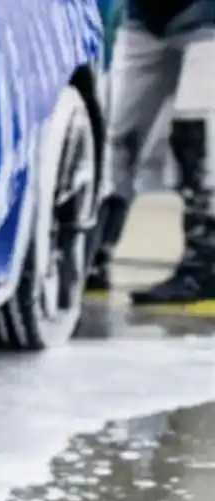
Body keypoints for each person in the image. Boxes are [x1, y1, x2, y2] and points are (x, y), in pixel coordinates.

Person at [89, 0, 215, 304]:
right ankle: (93, 251)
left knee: (200, 135)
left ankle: (204, 263)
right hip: (145, 18)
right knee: (116, 137)